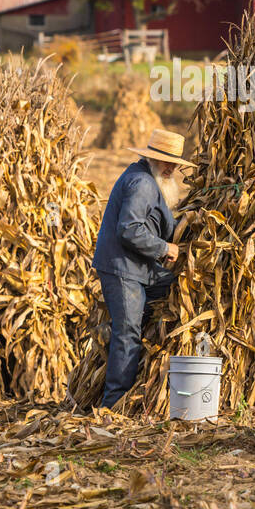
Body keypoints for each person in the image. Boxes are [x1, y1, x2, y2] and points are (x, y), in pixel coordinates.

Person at [92, 128, 195, 408]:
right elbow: (130, 229)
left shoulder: (147, 178)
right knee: (128, 334)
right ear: (153, 158)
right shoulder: (142, 184)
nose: (171, 167)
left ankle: (118, 329)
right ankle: (112, 405)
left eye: (175, 163)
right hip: (123, 268)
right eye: (166, 162)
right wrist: (165, 249)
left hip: (138, 268)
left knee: (170, 288)